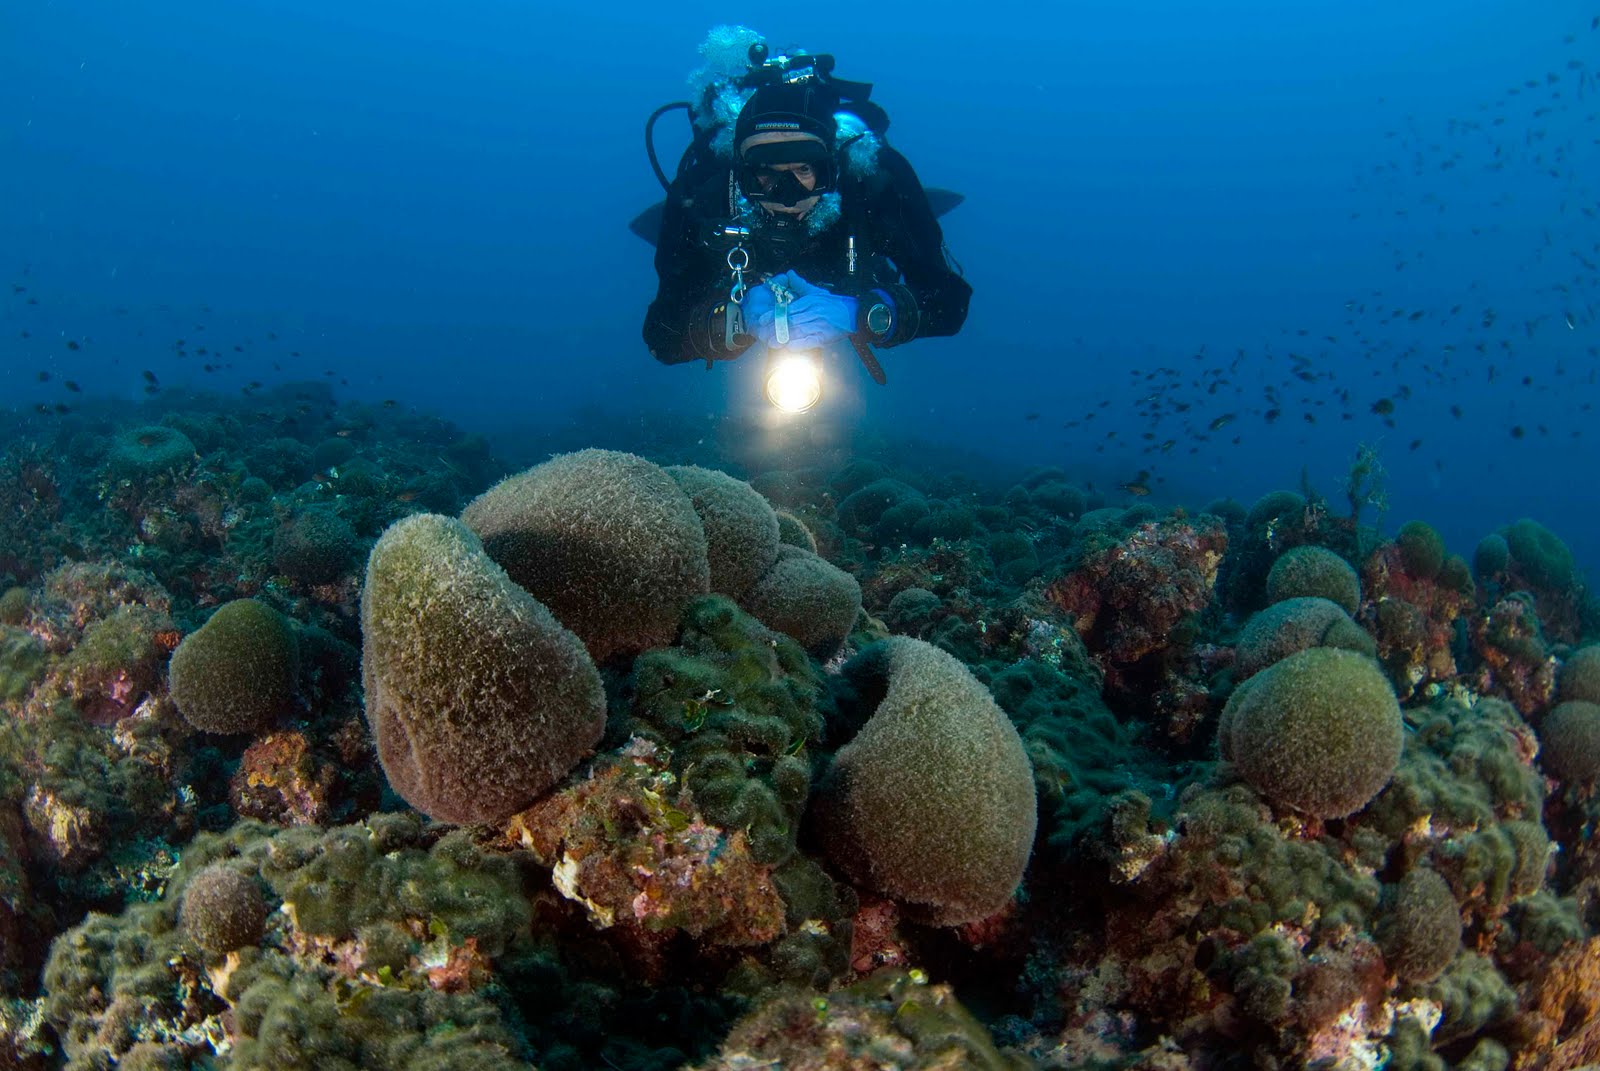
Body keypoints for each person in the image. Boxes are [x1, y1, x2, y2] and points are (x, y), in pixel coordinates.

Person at [642, 73, 972, 369]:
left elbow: (950, 302)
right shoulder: (704, 194)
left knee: (903, 225)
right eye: (765, 175)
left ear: (832, 167)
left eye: (804, 170)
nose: (788, 196)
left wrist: (859, 312)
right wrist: (734, 320)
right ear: (741, 174)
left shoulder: (875, 181)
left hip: (855, 245)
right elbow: (661, 335)